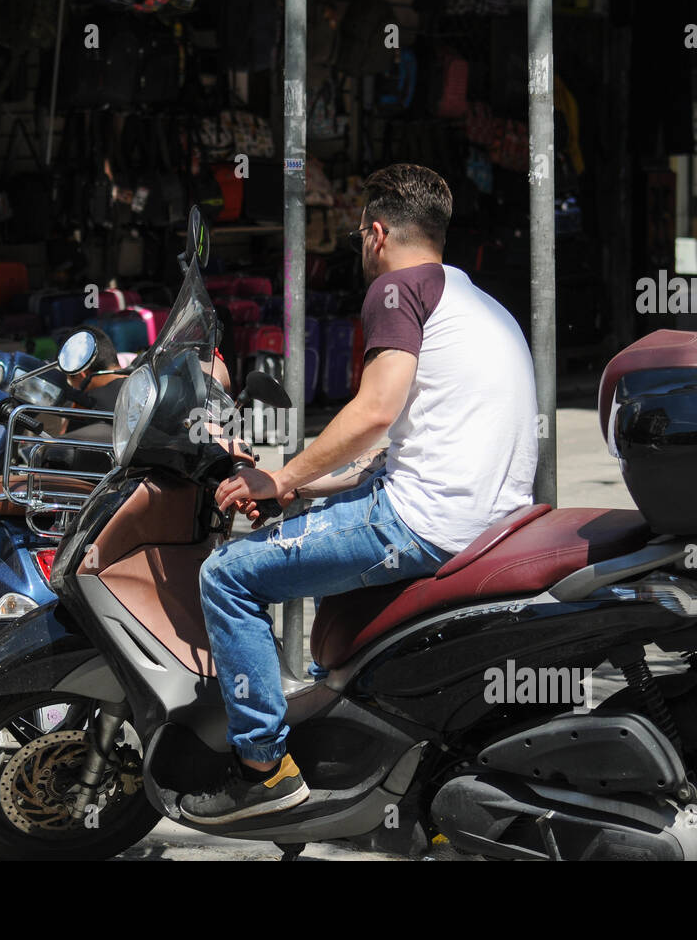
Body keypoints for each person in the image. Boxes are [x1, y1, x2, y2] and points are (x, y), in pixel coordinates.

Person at [181, 163, 539, 823]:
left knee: (227, 576)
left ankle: (260, 769)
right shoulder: (471, 300)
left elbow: (374, 410)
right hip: (486, 526)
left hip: (419, 522)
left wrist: (281, 476)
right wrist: (302, 485)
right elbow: (388, 449)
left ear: (376, 233)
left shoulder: (397, 290)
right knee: (318, 555)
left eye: (359, 236)